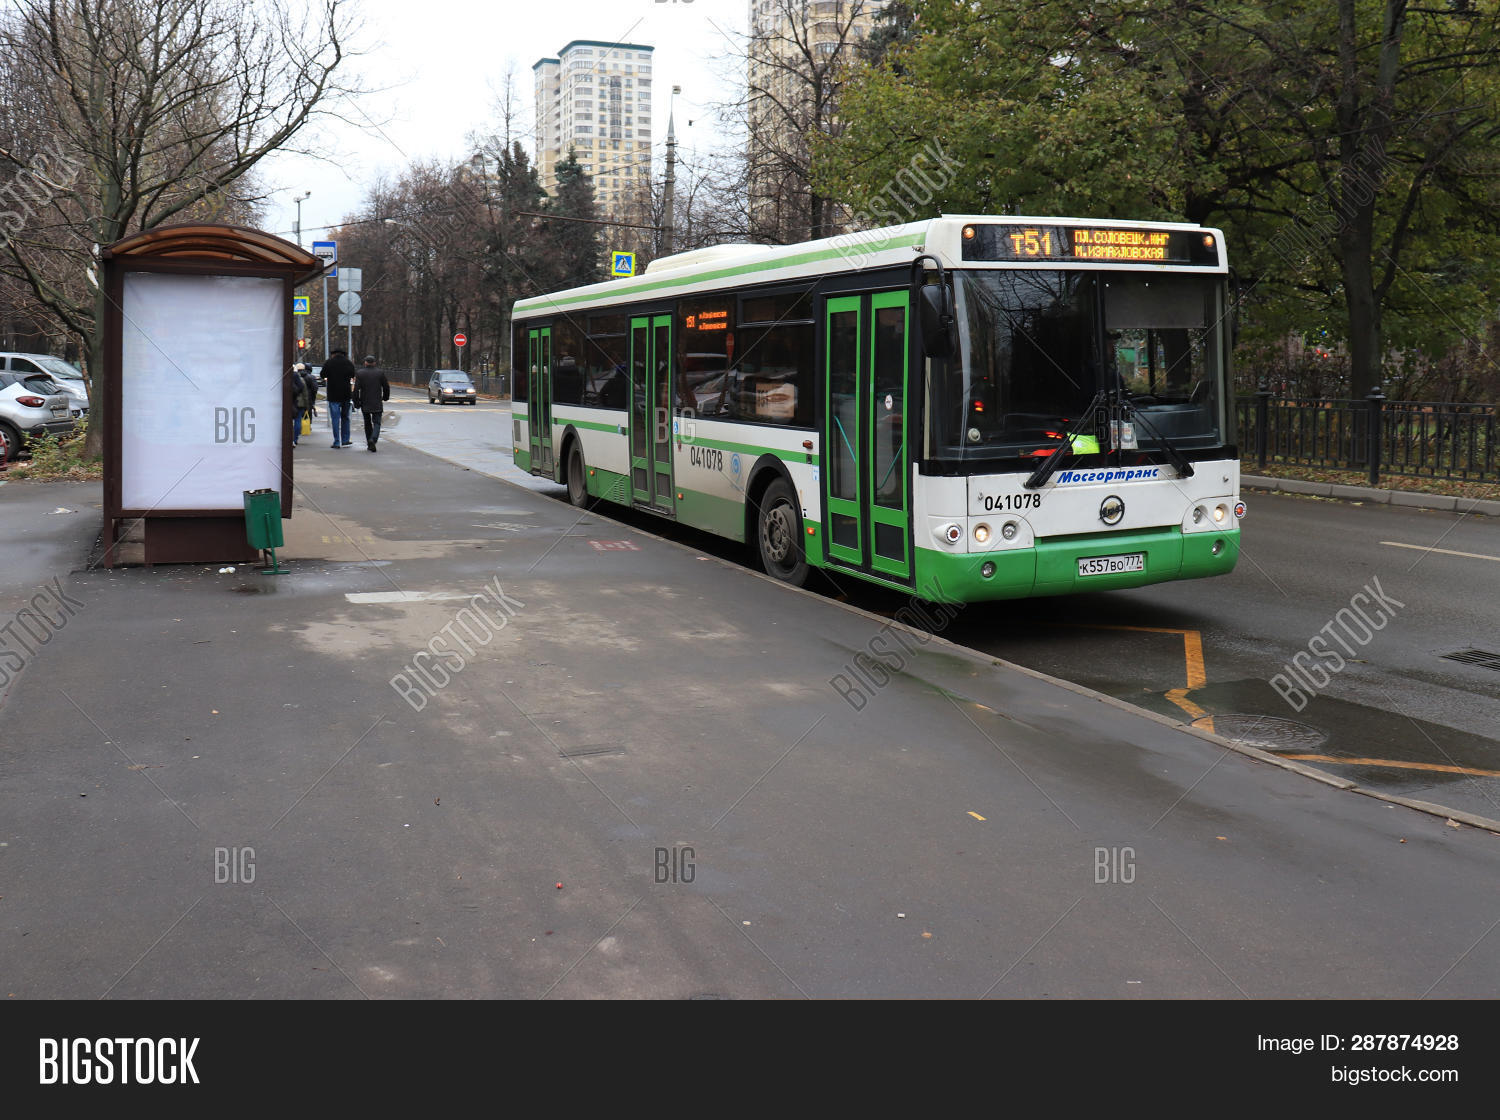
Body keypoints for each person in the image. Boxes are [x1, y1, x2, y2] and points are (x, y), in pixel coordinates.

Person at [352, 354, 390, 452]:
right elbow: (386, 387)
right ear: (374, 363)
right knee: (377, 423)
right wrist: (385, 397)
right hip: (377, 402)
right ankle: (373, 439)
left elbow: (356, 390)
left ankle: (369, 442)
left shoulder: (360, 373)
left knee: (367, 423)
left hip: (365, 402)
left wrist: (356, 402)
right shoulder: (380, 373)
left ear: (365, 363)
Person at [322, 347, 358, 447]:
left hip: (333, 395)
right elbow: (353, 375)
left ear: (333, 354)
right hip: (346, 394)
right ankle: (345, 440)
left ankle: (337, 441)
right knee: (345, 417)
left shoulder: (329, 363)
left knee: (335, 419)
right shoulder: (348, 363)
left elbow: (322, 375)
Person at [290, 363, 318, 447]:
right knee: (298, 420)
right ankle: (295, 439)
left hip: (292, 403)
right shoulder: (303, 379)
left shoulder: (290, 378)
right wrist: (307, 405)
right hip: (301, 403)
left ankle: (290, 438)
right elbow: (306, 393)